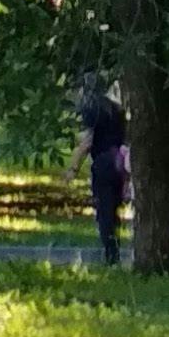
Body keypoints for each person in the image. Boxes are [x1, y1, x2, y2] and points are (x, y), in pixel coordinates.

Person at [75, 77, 128, 265]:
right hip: (119, 161)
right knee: (113, 208)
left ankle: (111, 254)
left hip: (103, 163)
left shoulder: (91, 110)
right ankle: (114, 247)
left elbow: (86, 142)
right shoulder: (116, 109)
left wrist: (73, 168)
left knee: (104, 210)